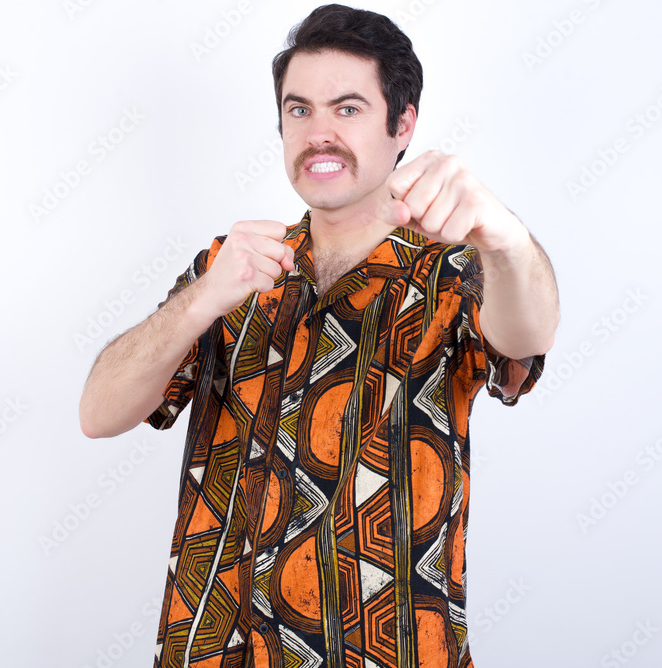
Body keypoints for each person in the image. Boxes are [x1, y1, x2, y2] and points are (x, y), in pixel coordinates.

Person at [79, 4, 559, 667]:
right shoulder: (233, 267)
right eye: (299, 110)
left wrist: (502, 235)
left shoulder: (456, 266)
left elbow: (525, 338)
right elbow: (99, 415)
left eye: (349, 109)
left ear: (403, 125)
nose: (319, 133)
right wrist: (199, 302)